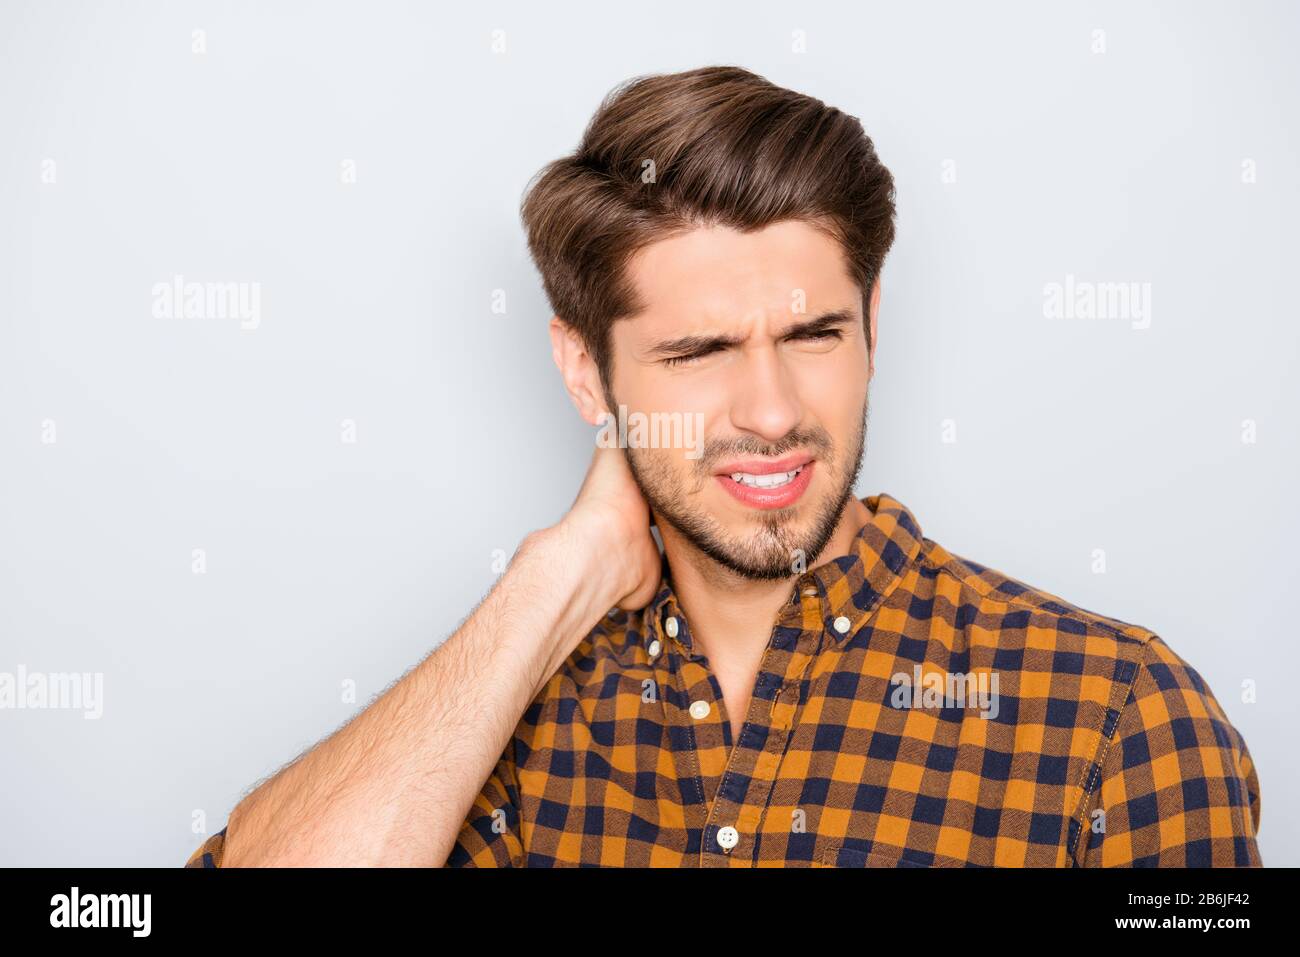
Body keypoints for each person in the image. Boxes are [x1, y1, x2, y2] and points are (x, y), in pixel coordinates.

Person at [186, 65, 1260, 868]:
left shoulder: (1115, 714)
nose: (773, 412)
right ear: (586, 374)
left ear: (873, 327)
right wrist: (556, 579)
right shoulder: (513, 729)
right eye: (697, 353)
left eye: (812, 336)